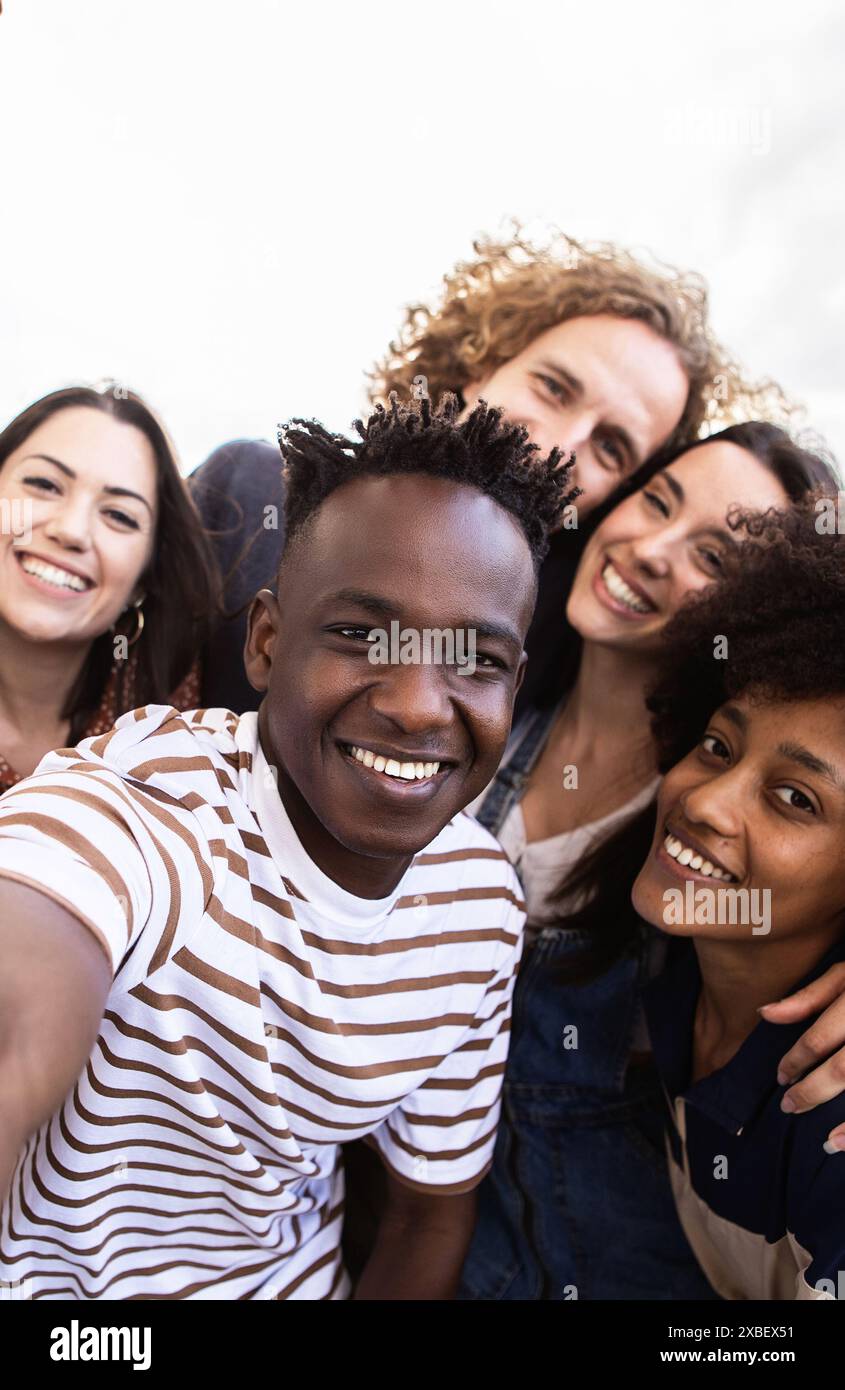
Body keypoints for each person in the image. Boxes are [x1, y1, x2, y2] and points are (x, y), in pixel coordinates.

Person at [0, 395, 576, 1301]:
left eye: (474, 660)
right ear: (267, 643)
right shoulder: (152, 804)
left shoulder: (480, 903)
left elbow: (429, 1209)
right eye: (359, 635)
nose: (421, 705)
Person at [458, 422, 845, 1299]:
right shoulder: (481, 715)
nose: (655, 550)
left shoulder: (716, 859)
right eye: (656, 502)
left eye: (712, 554)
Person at [190, 226, 791, 713]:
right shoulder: (247, 492)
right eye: (553, 388)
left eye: (611, 447)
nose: (560, 443)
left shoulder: (564, 640)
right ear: (479, 364)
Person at [632, 500, 845, 1298]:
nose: (707, 802)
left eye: (795, 799)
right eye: (717, 746)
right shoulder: (662, 956)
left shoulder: (833, 1112)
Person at [0, 383, 219, 792]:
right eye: (44, 485)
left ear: (144, 578)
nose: (71, 531)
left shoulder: (175, 720)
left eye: (119, 515)